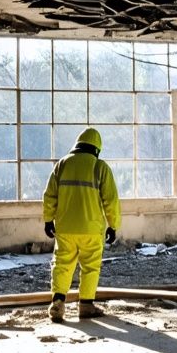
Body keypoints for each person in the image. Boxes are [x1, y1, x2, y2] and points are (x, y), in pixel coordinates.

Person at [42, 127, 121, 322]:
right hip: (91, 229)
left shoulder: (62, 164)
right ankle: (86, 305)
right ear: (96, 148)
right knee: (90, 266)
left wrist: (48, 219)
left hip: (65, 228)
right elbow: (111, 200)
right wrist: (113, 225)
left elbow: (49, 195)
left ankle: (58, 303)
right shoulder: (100, 167)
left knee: (62, 264)